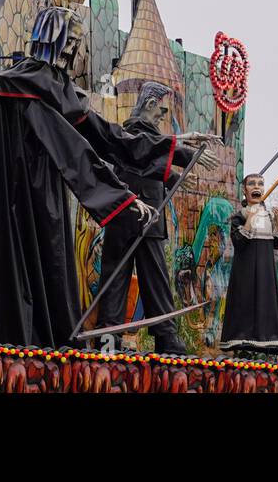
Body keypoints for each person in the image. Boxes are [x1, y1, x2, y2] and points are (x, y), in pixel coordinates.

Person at [0, 7, 155, 348]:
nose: (75, 50)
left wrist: (170, 151)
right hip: (24, 190)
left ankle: (47, 335)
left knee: (49, 258)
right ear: (52, 40)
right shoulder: (30, 85)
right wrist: (122, 198)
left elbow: (101, 135)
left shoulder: (49, 86)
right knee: (35, 258)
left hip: (41, 186)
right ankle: (37, 338)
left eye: (77, 42)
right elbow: (73, 149)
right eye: (70, 41)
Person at [77, 81, 219, 354]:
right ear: (151, 104)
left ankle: (158, 334)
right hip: (134, 211)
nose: (164, 117)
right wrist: (184, 154)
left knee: (151, 277)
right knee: (119, 275)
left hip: (140, 213)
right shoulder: (134, 134)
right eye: (163, 110)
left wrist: (173, 176)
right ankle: (114, 334)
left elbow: (153, 161)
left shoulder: (149, 138)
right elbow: (146, 154)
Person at [220, 173, 278, 355]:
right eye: (252, 184)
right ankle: (241, 340)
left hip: (265, 269)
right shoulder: (239, 216)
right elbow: (239, 242)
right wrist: (249, 219)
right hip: (245, 270)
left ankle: (267, 339)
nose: (257, 187)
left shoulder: (269, 216)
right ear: (245, 190)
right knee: (245, 300)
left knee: (266, 300)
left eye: (260, 184)